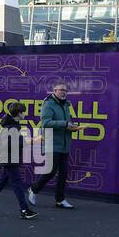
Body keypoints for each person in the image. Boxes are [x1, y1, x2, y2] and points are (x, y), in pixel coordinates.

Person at [0, 100, 36, 218]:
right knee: (17, 184)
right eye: (23, 112)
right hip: (9, 159)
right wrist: (32, 140)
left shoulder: (11, 125)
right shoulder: (11, 126)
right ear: (18, 113)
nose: (25, 114)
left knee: (2, 182)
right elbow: (12, 143)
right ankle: (24, 210)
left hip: (9, 157)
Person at [28, 80, 76, 209]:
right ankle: (34, 189)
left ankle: (60, 200)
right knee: (50, 171)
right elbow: (46, 123)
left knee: (63, 173)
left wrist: (72, 126)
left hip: (64, 145)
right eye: (61, 90)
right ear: (54, 91)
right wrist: (65, 124)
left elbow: (66, 122)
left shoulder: (66, 105)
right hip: (51, 143)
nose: (63, 92)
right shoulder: (48, 104)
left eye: (65, 90)